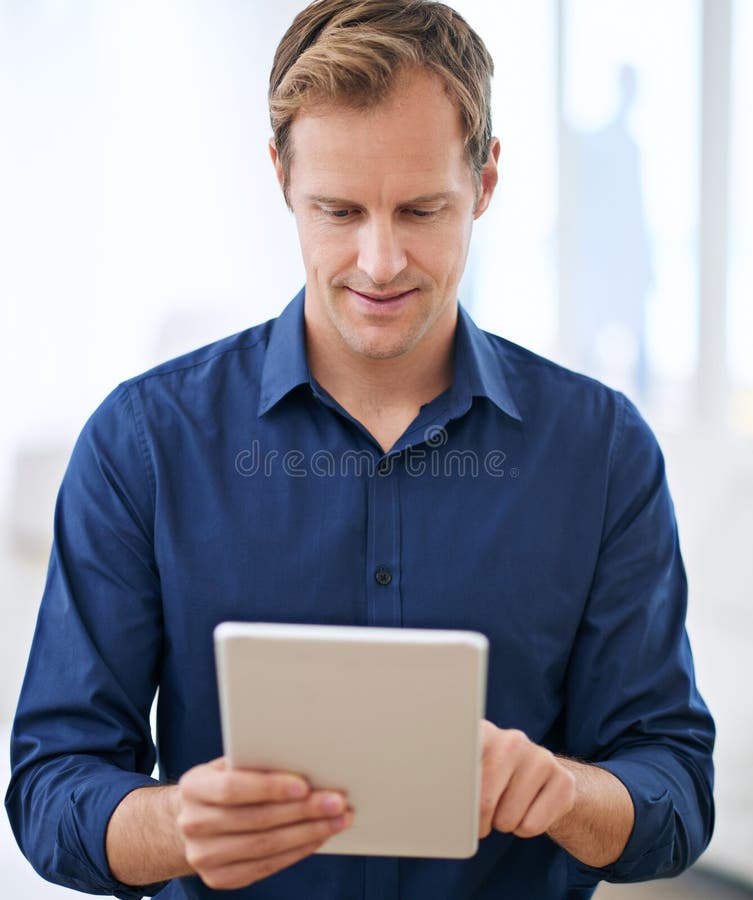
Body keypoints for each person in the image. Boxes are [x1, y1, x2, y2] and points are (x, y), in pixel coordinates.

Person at [6, 1, 714, 898]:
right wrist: (176, 825)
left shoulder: (603, 453)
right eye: (337, 210)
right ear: (280, 178)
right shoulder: (142, 444)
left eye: (421, 209)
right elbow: (51, 786)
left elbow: (677, 790)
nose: (379, 263)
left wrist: (567, 793)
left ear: (486, 180)